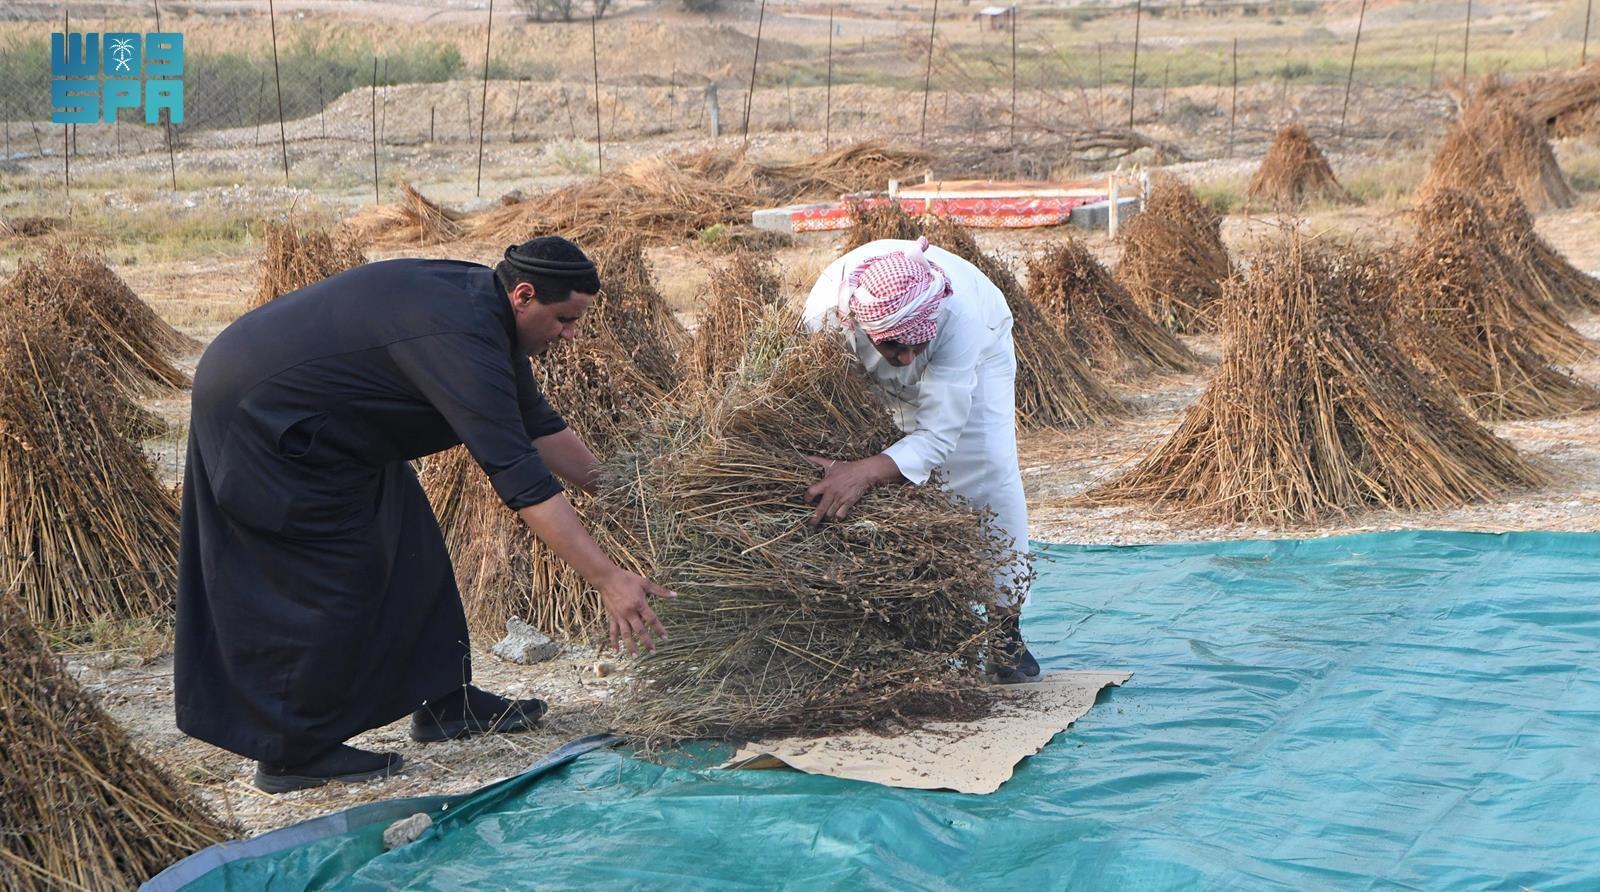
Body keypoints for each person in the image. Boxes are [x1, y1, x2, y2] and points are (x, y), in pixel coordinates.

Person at [175, 236, 670, 794]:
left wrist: (632, 495)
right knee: (334, 576)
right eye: (563, 319)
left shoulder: (490, 314)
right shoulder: (457, 335)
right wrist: (607, 579)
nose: (569, 334)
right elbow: (519, 475)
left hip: (334, 425)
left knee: (411, 552)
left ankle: (445, 703)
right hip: (264, 423)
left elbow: (537, 425)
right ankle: (291, 754)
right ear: (525, 296)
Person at [801, 235, 1039, 684]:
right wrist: (848, 463)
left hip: (979, 353)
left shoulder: (961, 318)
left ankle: (1005, 631)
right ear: (861, 325)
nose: (908, 359)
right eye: (895, 348)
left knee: (988, 470)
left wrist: (864, 473)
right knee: (865, 452)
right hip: (868, 341)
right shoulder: (824, 319)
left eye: (916, 346)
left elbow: (937, 436)